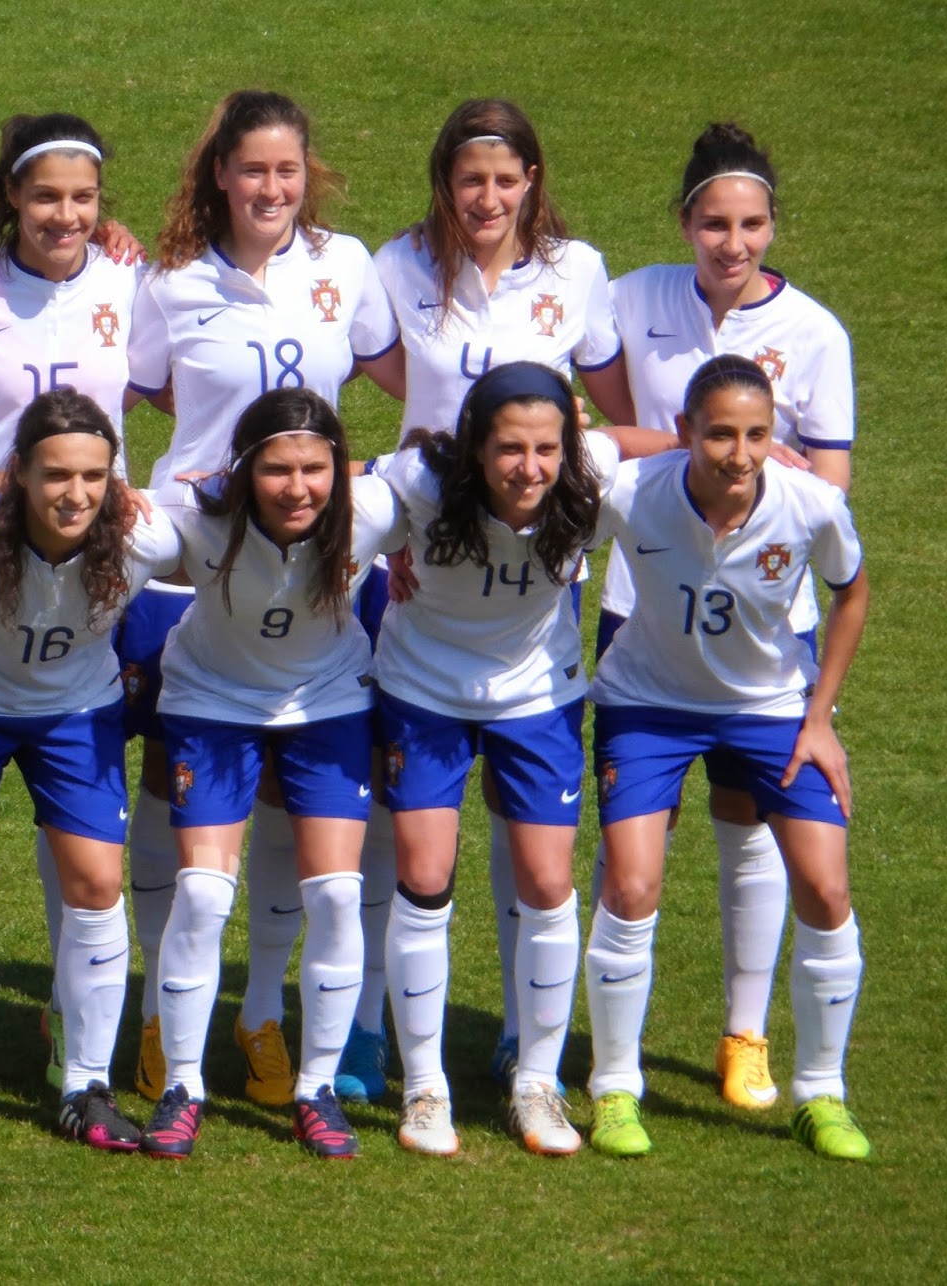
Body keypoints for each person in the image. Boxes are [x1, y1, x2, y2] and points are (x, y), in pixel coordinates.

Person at [123, 88, 400, 1108]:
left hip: (313, 548)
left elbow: (390, 367)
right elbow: (148, 386)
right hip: (187, 556)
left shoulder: (347, 265)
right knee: (173, 790)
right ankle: (161, 1012)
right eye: (252, 171)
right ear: (220, 176)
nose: (271, 188)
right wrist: (213, 467)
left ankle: (263, 1015)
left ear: (306, 174)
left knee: (296, 787)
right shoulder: (170, 279)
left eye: (288, 170)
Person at [368, 97, 635, 1094]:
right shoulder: (395, 266)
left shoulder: (578, 270)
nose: (487, 198)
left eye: (505, 179)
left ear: (532, 181)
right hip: (428, 549)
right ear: (445, 181)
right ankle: (386, 1045)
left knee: (531, 840)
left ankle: (525, 1043)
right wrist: (410, 505)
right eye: (469, 179)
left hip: (534, 568)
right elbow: (392, 385)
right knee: (415, 834)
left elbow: (610, 405)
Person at [600, 123, 856, 1111]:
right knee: (635, 847)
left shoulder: (816, 334)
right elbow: (603, 424)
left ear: (772, 226)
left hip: (763, 627)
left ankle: (744, 1035)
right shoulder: (633, 298)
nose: (731, 243)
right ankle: (607, 1061)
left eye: (750, 224)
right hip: (641, 608)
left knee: (747, 824)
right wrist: (670, 451)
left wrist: (761, 464)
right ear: (684, 222)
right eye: (713, 223)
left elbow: (829, 494)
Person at [371, 362, 673, 1157]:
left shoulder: (588, 471)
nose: (530, 468)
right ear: (474, 447)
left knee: (547, 882)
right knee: (426, 875)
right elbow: (340, 489)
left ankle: (536, 1083)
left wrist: (721, 447)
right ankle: (426, 1086)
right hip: (424, 691)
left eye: (546, 448)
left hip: (537, 699)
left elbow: (645, 442)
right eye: (509, 449)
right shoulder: (421, 481)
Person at [584, 354, 870, 1162]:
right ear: (683, 433)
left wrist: (819, 717)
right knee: (631, 884)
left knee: (826, 885)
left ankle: (822, 1094)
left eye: (755, 434)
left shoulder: (810, 504)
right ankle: (613, 1088)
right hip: (647, 705)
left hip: (771, 709)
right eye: (719, 434)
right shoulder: (633, 493)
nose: (739, 453)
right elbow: (547, 543)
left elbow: (852, 591)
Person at [0, 112, 145, 1089]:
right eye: (45, 195)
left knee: (92, 867)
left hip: (92, 566)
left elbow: (202, 391)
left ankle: (78, 1061)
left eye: (83, 199)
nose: (66, 215)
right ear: (8, 194)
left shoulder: (132, 284)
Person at [0, 389, 180, 1153]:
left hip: (76, 710)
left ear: (115, 480)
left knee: (96, 884)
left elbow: (234, 530)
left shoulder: (146, 539)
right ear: (18, 472)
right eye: (54, 474)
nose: (74, 494)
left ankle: (86, 1084)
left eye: (93, 476)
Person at [138, 388, 407, 1160]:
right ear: (246, 470)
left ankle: (315, 1089)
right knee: (201, 892)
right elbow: (108, 528)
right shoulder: (194, 522)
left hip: (326, 705)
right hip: (211, 703)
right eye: (279, 469)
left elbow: (451, 472)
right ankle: (181, 1086)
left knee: (335, 895)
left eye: (316, 469)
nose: (299, 488)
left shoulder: (372, 512)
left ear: (340, 468)